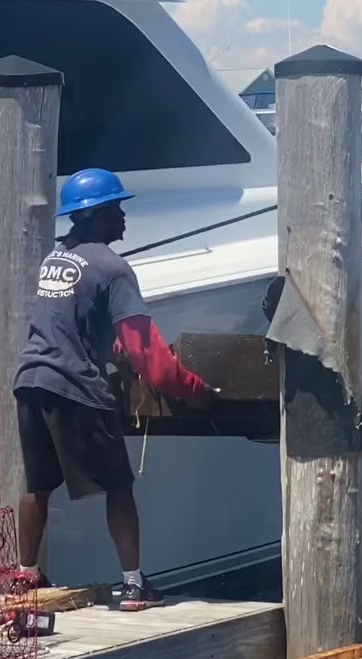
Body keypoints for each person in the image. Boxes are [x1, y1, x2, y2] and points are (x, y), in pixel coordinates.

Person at [11, 168, 218, 611]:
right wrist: (195, 390)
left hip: (31, 383)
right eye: (116, 209)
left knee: (38, 486)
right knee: (120, 486)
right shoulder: (113, 268)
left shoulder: (56, 258)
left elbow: (76, 321)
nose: (123, 217)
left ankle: (25, 579)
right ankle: (133, 586)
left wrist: (114, 349)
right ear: (94, 215)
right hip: (75, 387)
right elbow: (150, 356)